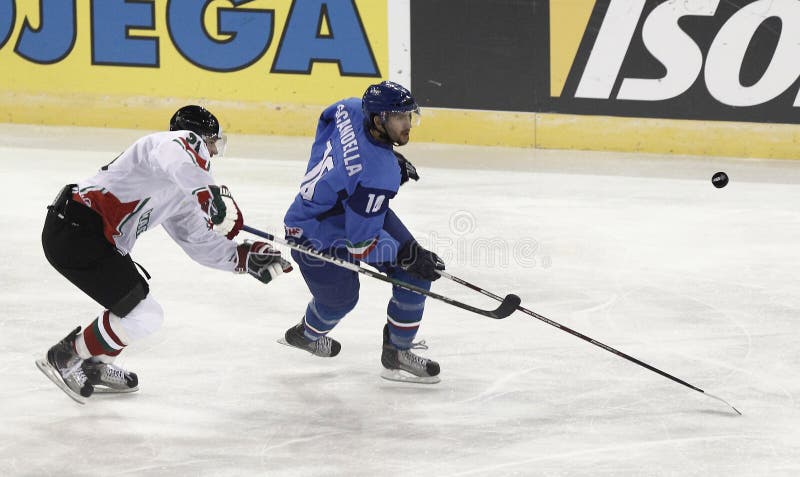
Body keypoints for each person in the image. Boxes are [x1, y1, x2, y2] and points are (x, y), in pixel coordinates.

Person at [37, 105, 293, 404]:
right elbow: (179, 153)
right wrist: (207, 193)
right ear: (194, 137)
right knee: (143, 313)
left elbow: (198, 240)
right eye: (211, 142)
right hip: (76, 230)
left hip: (89, 238)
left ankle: (95, 365)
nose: (214, 150)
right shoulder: (163, 145)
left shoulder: (182, 191)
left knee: (135, 304)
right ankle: (66, 356)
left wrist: (243, 256)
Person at [282, 81, 445, 383]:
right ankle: (306, 335)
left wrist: (362, 164)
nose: (408, 124)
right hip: (312, 232)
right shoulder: (376, 173)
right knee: (342, 300)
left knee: (415, 273)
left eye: (409, 116)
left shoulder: (351, 107)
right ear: (379, 119)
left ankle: (397, 352)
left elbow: (326, 119)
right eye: (400, 118)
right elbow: (360, 244)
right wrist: (402, 253)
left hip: (347, 206)